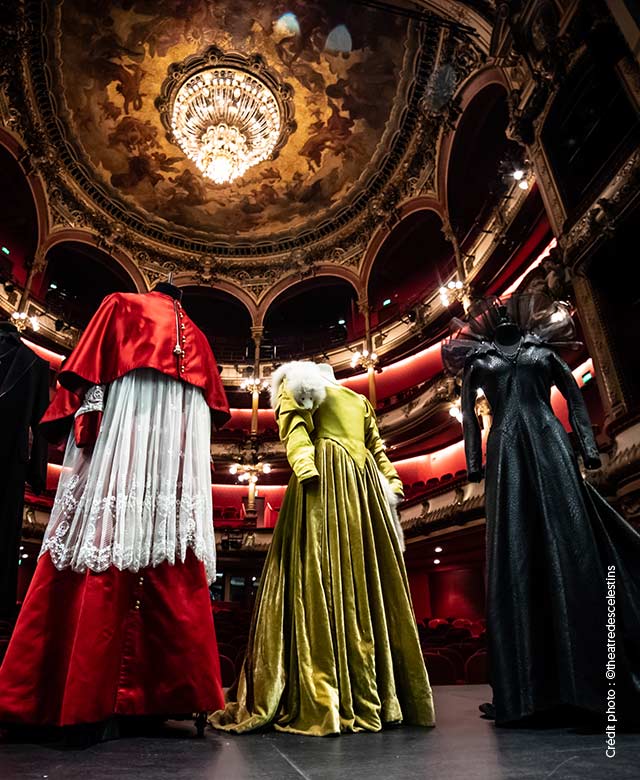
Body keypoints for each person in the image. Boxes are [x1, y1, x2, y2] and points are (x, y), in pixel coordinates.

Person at [443, 293, 640, 727]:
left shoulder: (543, 352)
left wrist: (588, 446)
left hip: (550, 440)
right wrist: (473, 463)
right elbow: (471, 417)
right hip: (504, 448)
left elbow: (573, 397)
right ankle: (528, 691)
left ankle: (589, 685)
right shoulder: (478, 361)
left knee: (570, 540)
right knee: (516, 546)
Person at [210, 360, 434, 736]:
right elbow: (294, 428)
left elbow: (377, 448)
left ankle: (374, 688)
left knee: (366, 579)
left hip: (363, 488)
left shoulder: (359, 401)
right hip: (323, 481)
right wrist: (305, 464)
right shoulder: (302, 383)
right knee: (318, 568)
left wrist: (392, 481)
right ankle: (324, 685)